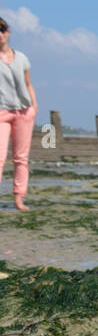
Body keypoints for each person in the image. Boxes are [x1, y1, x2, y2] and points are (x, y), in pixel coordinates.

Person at [0, 15, 37, 211]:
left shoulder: (22, 58)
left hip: (24, 112)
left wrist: (34, 106)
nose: (0, 34)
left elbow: (28, 84)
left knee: (21, 158)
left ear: (8, 32)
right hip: (1, 112)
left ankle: (18, 199)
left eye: (2, 29)